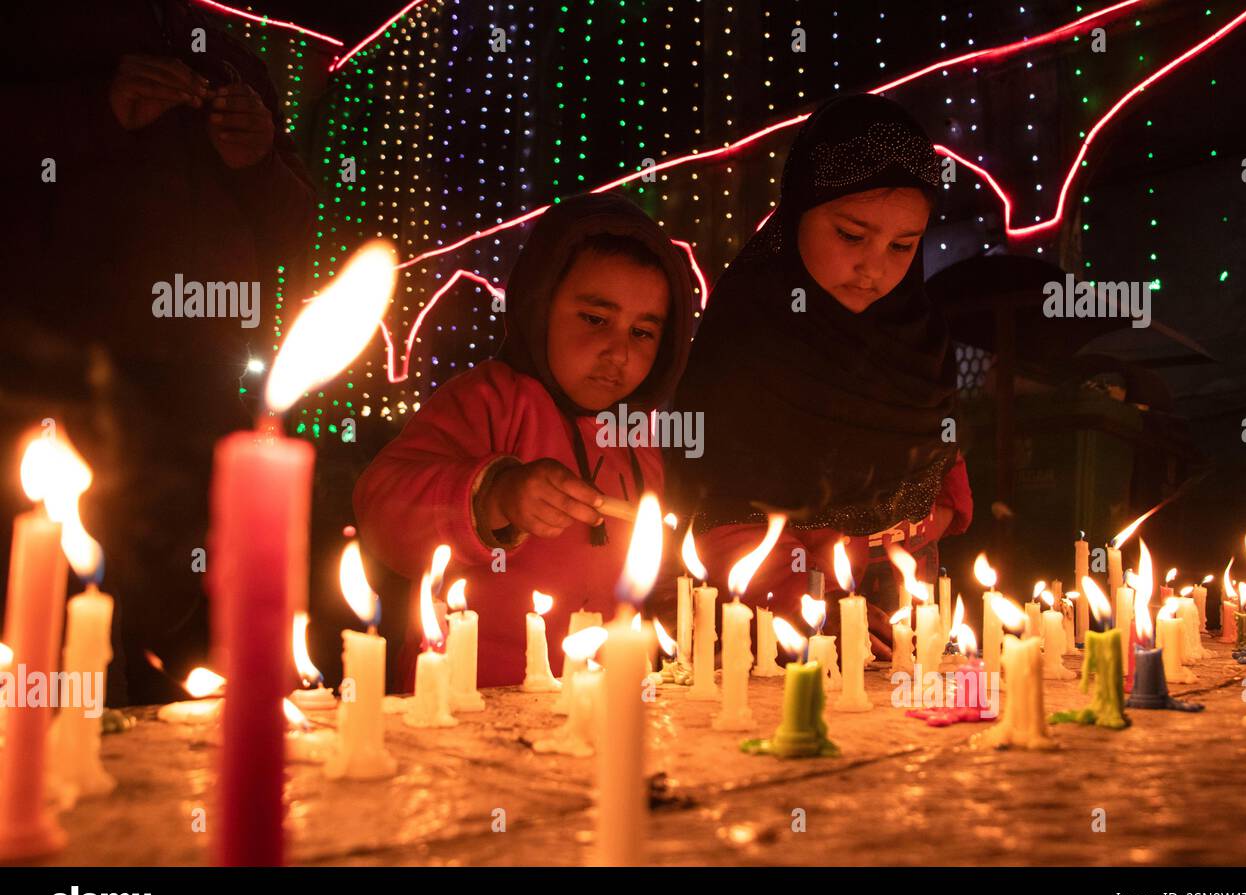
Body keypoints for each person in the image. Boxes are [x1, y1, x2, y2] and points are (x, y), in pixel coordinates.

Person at [0, 2, 317, 703]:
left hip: (201, 382)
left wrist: (258, 160)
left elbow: (294, 224)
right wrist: (96, 109)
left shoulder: (233, 59)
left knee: (176, 619)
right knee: (44, 612)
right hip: (55, 375)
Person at [666, 93, 972, 657]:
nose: (873, 266)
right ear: (798, 208)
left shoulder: (918, 334)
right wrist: (805, 600)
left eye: (903, 246)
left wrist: (943, 501)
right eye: (851, 235)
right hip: (778, 636)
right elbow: (718, 505)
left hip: (904, 614)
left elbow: (939, 436)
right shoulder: (749, 335)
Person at [353, 194, 695, 688]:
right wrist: (495, 495)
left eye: (642, 332)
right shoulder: (489, 401)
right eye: (596, 319)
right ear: (540, 304)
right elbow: (382, 510)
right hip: (468, 702)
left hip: (594, 707)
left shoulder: (638, 437)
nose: (618, 351)